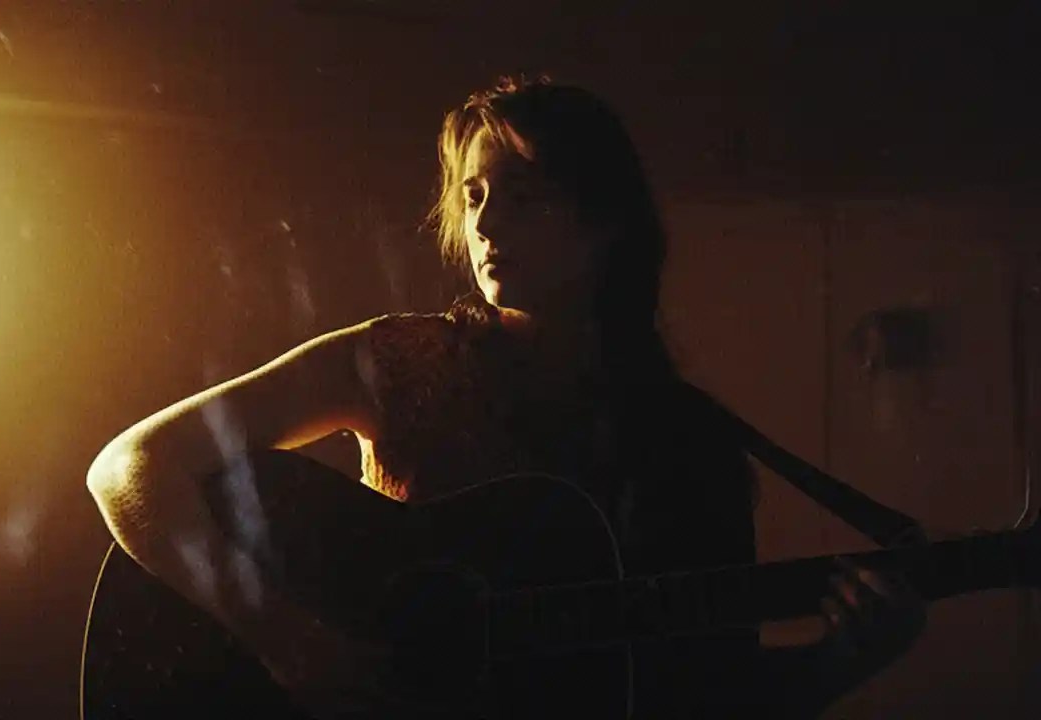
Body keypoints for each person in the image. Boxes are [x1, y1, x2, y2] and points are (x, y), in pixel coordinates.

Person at [86, 75, 926, 718]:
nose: (485, 225)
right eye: (474, 196)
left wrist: (838, 664)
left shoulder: (686, 445)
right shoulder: (400, 360)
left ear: (604, 221)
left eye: (522, 197)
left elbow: (703, 694)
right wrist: (284, 637)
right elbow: (130, 468)